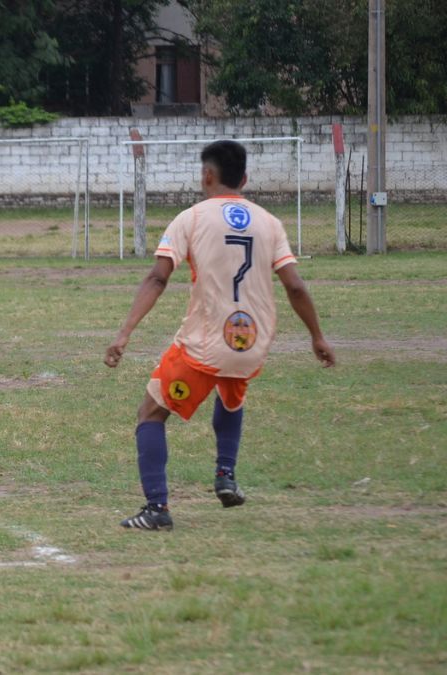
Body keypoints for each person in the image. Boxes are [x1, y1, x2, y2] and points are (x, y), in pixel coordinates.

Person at [104, 140, 336, 531]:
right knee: (230, 395)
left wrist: (124, 332)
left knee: (150, 412)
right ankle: (225, 473)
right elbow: (295, 287)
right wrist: (317, 336)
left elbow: (158, 277)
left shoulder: (191, 219)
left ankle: (157, 509)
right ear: (244, 179)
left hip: (205, 344)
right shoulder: (269, 222)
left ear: (206, 176)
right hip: (250, 343)